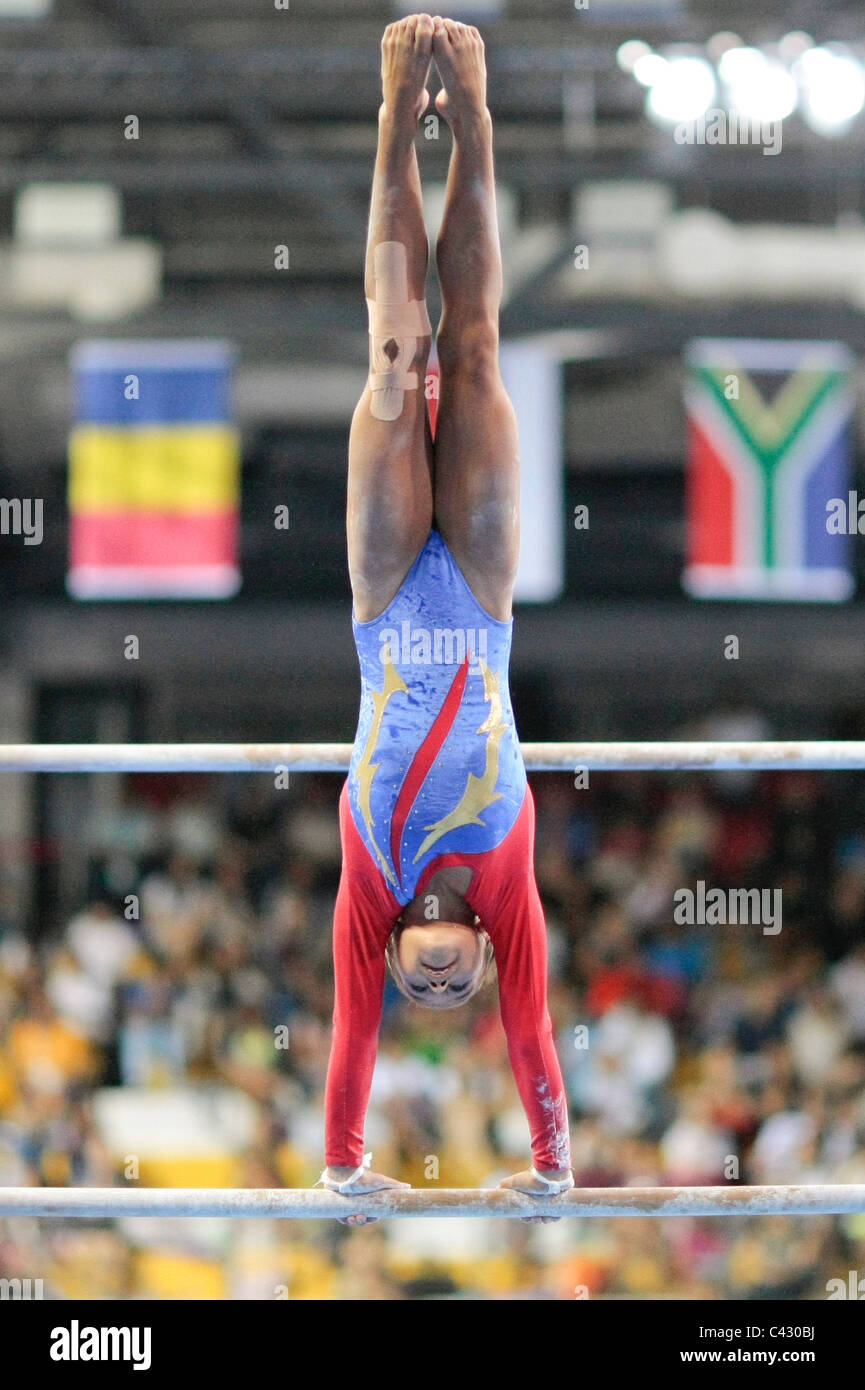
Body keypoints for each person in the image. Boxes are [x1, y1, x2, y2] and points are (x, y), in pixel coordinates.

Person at [318, 14, 572, 1224]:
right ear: (473, 949)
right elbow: (532, 1030)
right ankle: (468, 116)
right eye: (448, 956)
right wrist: (553, 1165)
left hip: (380, 603)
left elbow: (345, 1030)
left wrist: (339, 1163)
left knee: (393, 352)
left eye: (410, 954)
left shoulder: (370, 879)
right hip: (475, 594)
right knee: (467, 351)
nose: (430, 931)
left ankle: (388, 119)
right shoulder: (508, 883)